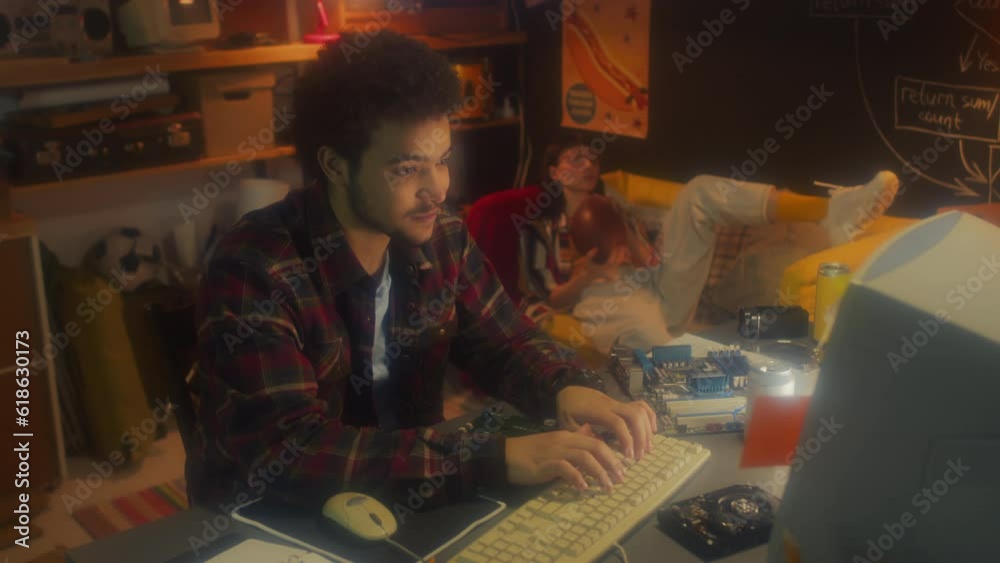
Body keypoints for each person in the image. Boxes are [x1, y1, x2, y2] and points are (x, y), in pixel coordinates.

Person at [189, 31, 658, 510]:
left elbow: (506, 342)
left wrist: (568, 384)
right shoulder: (254, 271)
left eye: (442, 161)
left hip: (414, 496)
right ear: (335, 165)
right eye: (407, 169)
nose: (437, 188)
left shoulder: (442, 236)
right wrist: (491, 459)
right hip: (280, 521)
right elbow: (291, 454)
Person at [517, 132, 900, 353]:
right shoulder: (540, 227)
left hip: (653, 287)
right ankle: (688, 370)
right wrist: (591, 275)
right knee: (651, 338)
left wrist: (629, 249)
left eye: (590, 159)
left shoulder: (617, 207)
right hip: (603, 299)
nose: (586, 166)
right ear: (554, 172)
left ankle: (827, 211)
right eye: (574, 160)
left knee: (699, 191)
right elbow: (550, 300)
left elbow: (652, 263)